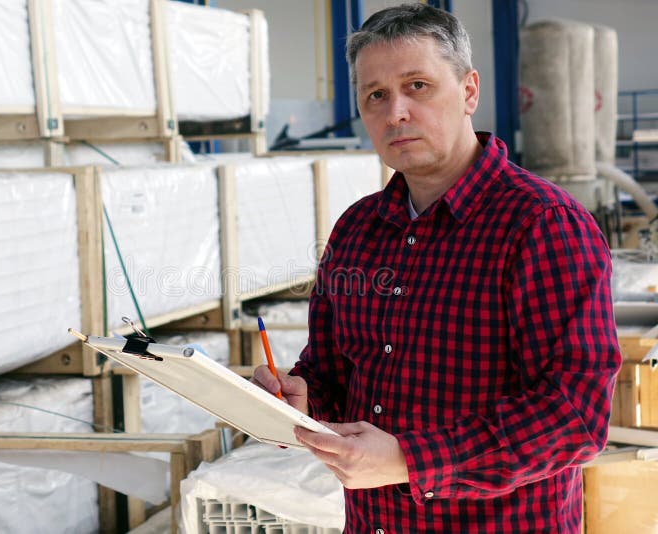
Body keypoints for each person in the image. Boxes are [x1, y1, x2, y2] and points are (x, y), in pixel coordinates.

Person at [252, 3, 621, 532]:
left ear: (469, 91)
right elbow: (334, 366)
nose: (395, 112)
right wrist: (303, 393)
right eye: (375, 95)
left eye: (417, 85)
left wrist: (408, 459)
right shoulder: (356, 230)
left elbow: (575, 417)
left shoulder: (542, 225)